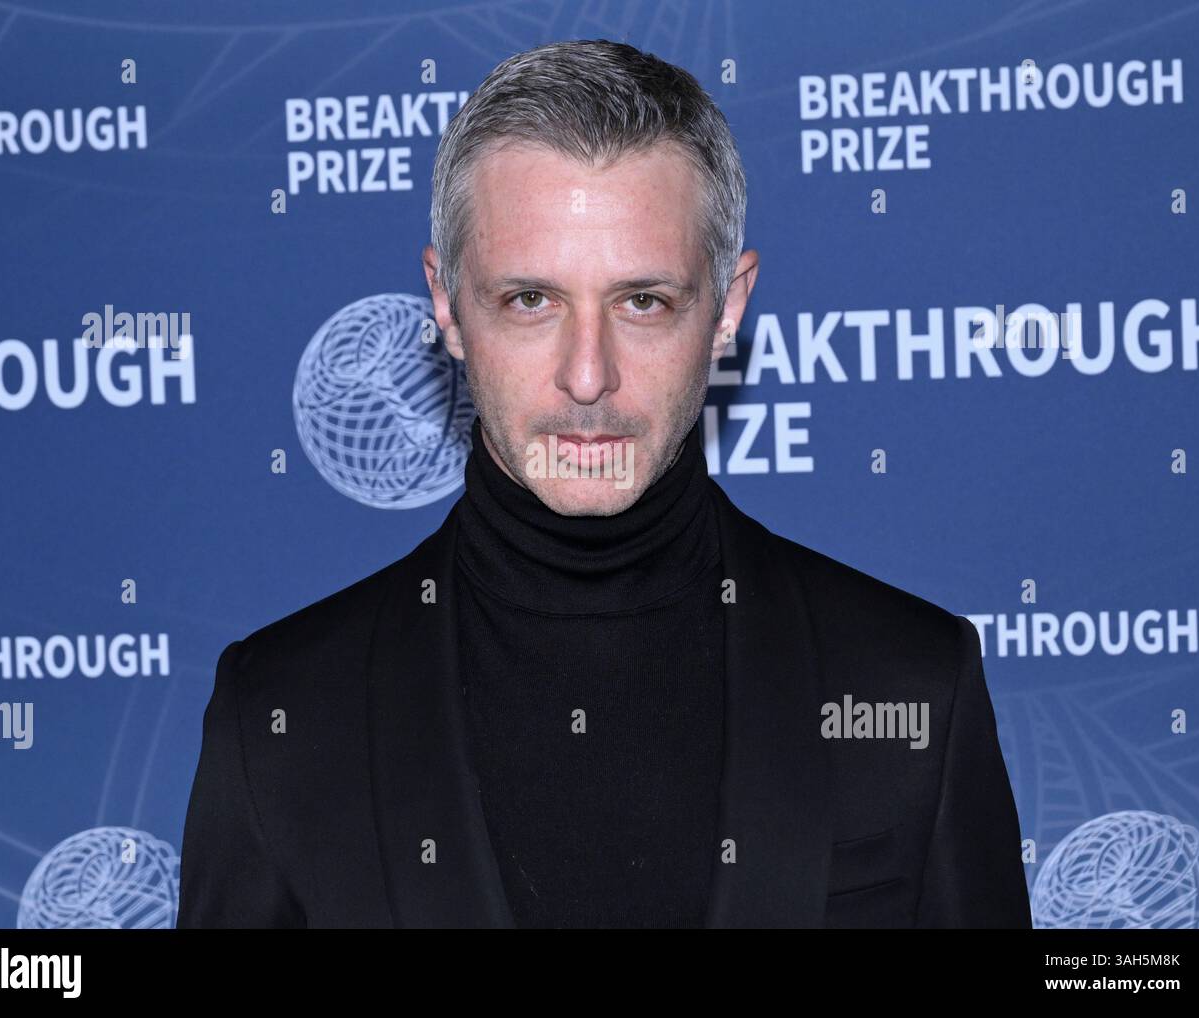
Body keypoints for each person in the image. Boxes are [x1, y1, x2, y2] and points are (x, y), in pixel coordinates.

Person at [177, 38, 1031, 929]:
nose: (589, 377)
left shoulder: (911, 685)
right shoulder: (282, 718)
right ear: (446, 305)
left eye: (643, 301)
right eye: (530, 301)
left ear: (729, 308)